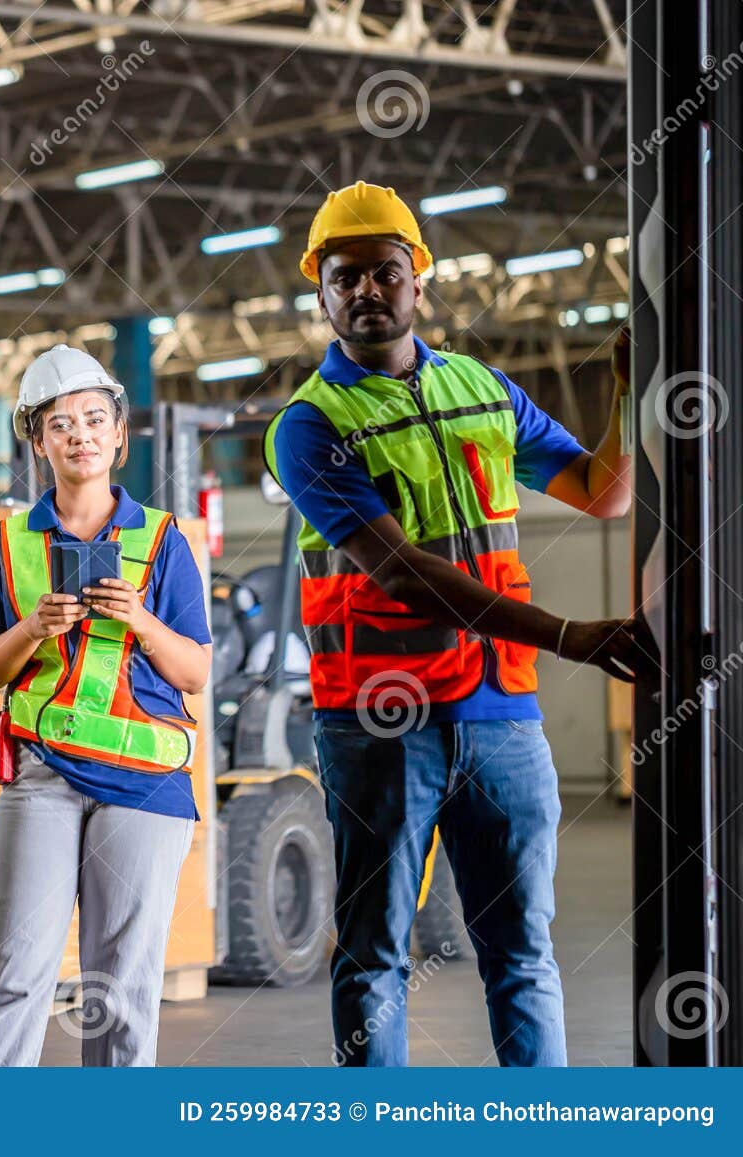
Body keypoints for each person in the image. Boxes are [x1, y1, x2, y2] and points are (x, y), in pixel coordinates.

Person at [263, 182, 660, 1066]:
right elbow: (402, 569)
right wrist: (570, 636)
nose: (367, 290)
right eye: (345, 276)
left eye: (385, 271)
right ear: (321, 292)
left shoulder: (483, 388)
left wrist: (629, 397)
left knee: (522, 954)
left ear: (418, 280)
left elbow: (603, 491)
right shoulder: (309, 426)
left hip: (500, 714)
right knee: (373, 960)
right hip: (379, 721)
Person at [0, 345, 213, 1067]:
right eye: (61, 423)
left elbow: (194, 670)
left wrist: (141, 618)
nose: (81, 435)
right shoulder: (7, 543)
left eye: (96, 419)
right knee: (11, 974)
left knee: (121, 989)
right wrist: (32, 627)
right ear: (37, 440)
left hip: (144, 785)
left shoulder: (162, 540)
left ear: (120, 433)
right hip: (42, 777)